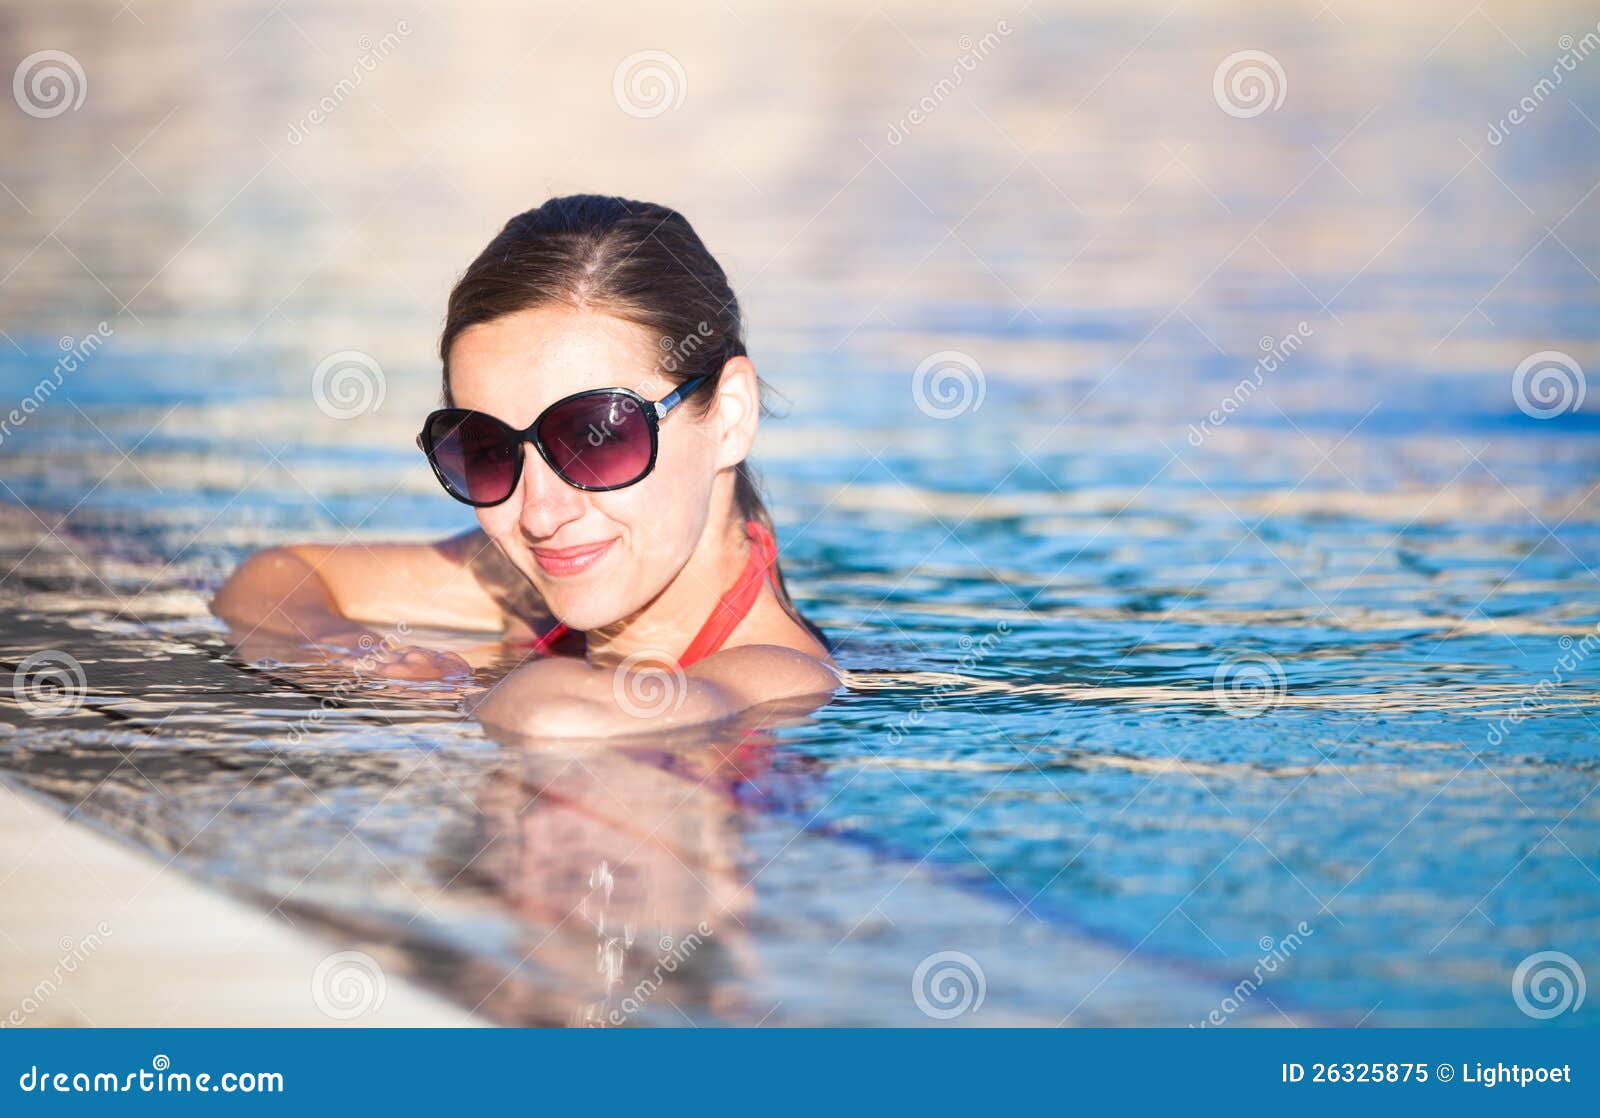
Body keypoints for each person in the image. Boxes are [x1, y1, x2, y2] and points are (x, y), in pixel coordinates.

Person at [212, 194, 838, 737]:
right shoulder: (535, 587)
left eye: (594, 438)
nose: (539, 513)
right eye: (487, 450)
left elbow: (553, 716)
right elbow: (271, 580)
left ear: (730, 418)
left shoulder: (780, 676)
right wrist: (345, 650)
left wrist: (452, 693)